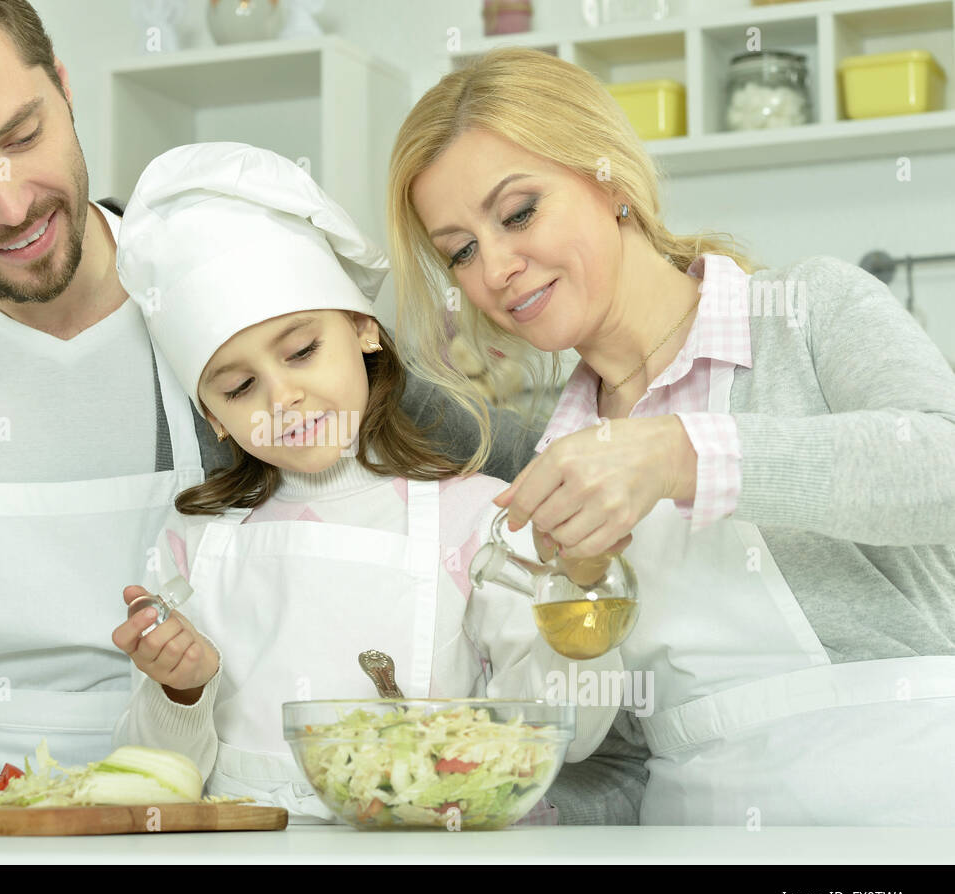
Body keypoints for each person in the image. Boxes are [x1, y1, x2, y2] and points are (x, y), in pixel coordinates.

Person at [0, 2, 552, 801]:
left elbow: (505, 461)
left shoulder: (216, 299)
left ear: (64, 87)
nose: (9, 202)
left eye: (21, 134)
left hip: (201, 801)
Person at [385, 46, 955, 825]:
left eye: (518, 212)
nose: (498, 268)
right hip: (696, 833)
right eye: (461, 250)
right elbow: (622, 758)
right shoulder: (558, 458)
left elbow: (939, 466)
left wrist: (683, 452)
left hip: (909, 811)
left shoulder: (809, 313)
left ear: (609, 178)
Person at [108, 141, 627, 824]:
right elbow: (152, 779)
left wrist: (579, 591)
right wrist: (180, 689)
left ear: (362, 329)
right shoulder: (193, 544)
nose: (283, 397)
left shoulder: (474, 519)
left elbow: (570, 729)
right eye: (239, 386)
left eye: (301, 350)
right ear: (216, 417)